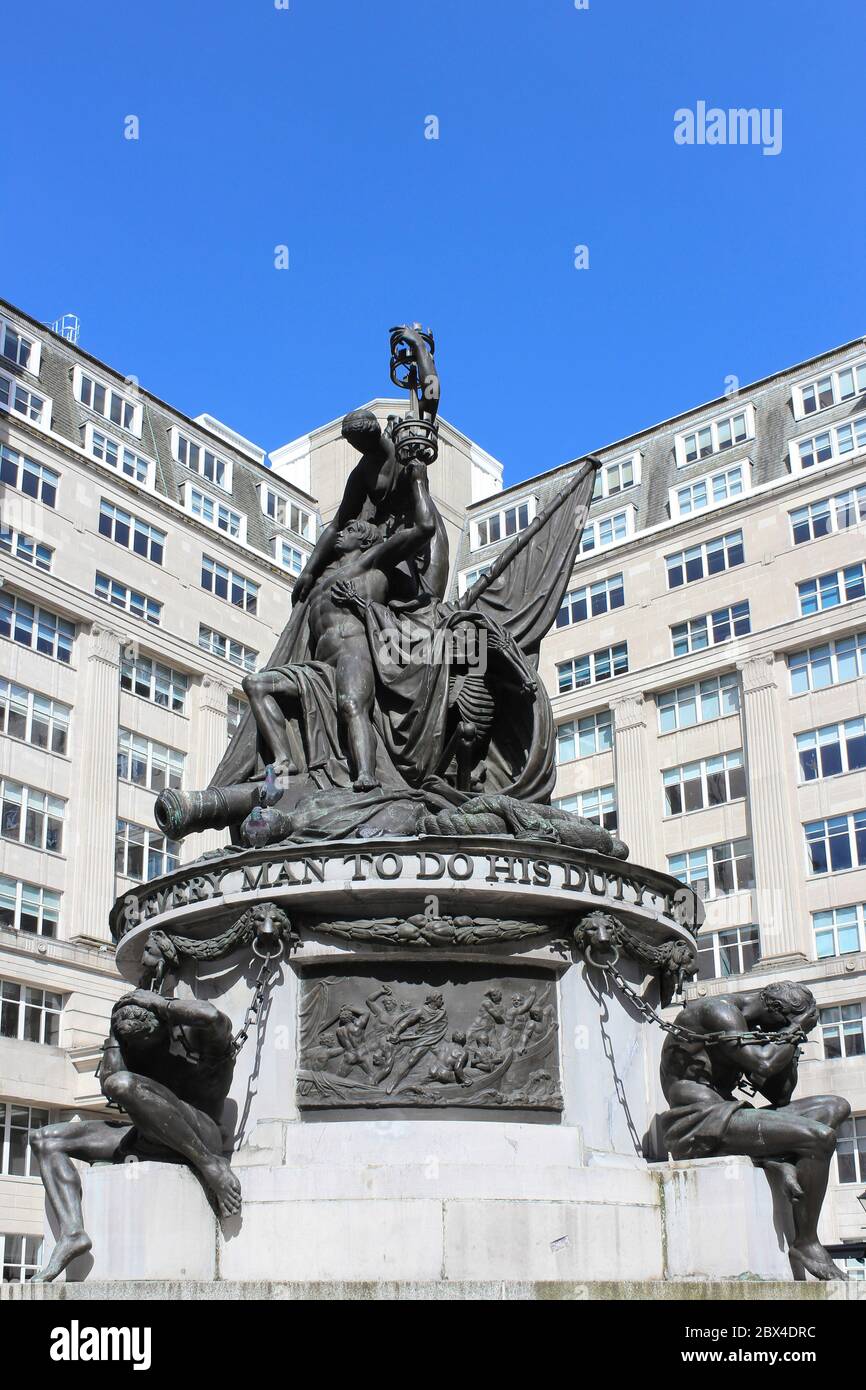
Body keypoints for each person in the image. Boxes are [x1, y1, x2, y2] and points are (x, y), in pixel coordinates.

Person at [242, 461, 436, 791]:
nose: (340, 533)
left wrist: (417, 479)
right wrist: (306, 574)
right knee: (256, 684)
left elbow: (424, 529)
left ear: (363, 541)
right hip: (316, 667)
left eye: (347, 531)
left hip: (354, 652)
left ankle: (366, 777)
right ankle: (283, 761)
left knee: (351, 706)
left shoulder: (370, 561)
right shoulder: (319, 583)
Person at [31, 989, 240, 1283]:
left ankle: (209, 1165)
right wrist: (114, 1036)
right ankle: (73, 1234)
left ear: (164, 1028)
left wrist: (161, 1004)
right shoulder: (131, 1047)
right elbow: (109, 1084)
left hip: (202, 1132)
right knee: (45, 1139)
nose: (139, 1050)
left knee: (124, 1084)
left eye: (146, 1041)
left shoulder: (200, 1044)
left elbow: (214, 1017)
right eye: (130, 1043)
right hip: (148, 1134)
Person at [659, 980, 851, 1281]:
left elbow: (780, 1095)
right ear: (774, 1009)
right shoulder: (719, 1012)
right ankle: (806, 1242)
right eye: (788, 1022)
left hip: (731, 1113)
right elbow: (762, 1063)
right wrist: (794, 1029)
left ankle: (776, 1156)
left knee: (835, 1106)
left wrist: (789, 1041)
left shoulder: (755, 1026)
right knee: (821, 1138)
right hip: (699, 1121)